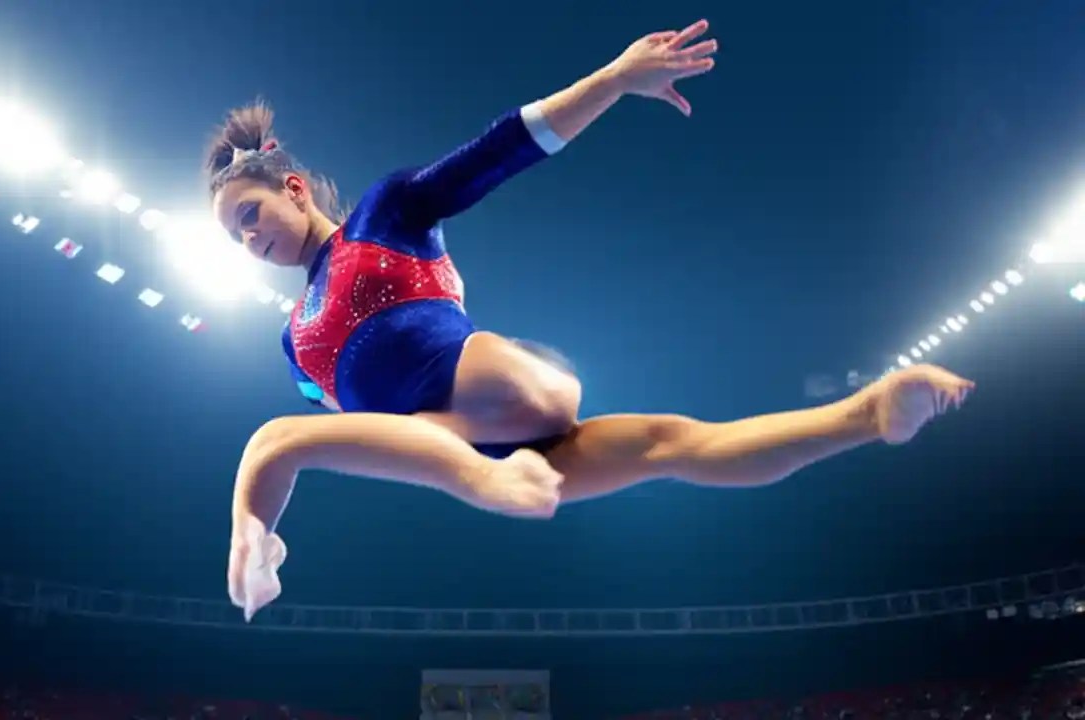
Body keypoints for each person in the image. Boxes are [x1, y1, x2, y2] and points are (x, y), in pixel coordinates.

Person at [204, 20, 975, 619]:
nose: (248, 238)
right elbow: (373, 441)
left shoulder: (386, 211)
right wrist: (256, 533)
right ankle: (872, 412)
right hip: (489, 452)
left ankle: (470, 483)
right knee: (673, 444)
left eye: (250, 213)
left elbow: (502, 150)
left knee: (275, 441)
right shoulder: (294, 346)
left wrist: (615, 78)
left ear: (295, 189)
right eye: (233, 235)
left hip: (506, 388)